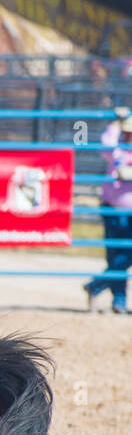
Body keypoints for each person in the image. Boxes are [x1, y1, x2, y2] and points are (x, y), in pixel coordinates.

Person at [86, 109, 132, 314]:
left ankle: (96, 286)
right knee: (115, 255)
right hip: (113, 209)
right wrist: (116, 122)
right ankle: (119, 301)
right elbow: (106, 143)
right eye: (128, 132)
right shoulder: (117, 150)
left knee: (125, 256)